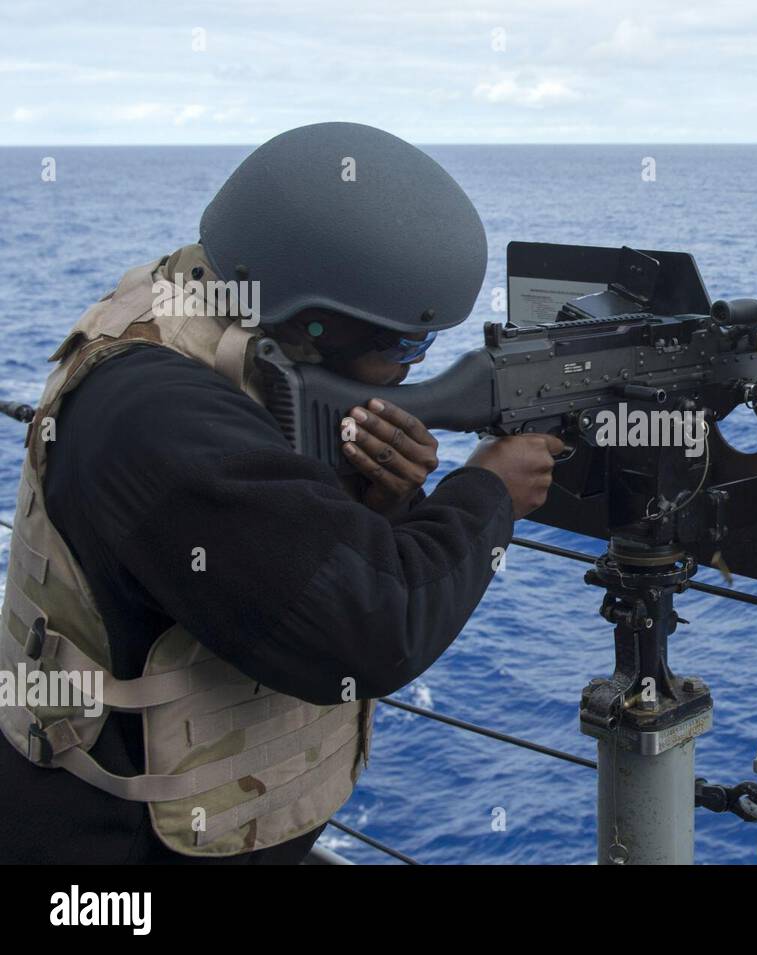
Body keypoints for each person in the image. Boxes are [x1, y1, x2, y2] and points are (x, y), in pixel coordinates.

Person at [0, 122, 562, 863]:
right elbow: (370, 628)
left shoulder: (192, 307)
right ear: (308, 326)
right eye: (404, 347)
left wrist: (372, 496)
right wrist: (489, 490)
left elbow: (263, 520)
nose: (410, 371)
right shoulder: (163, 419)